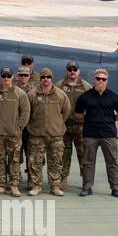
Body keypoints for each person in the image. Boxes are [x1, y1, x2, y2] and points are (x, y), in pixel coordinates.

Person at [73, 68, 118, 197]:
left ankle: (115, 188)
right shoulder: (85, 97)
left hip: (108, 134)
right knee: (88, 161)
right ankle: (87, 186)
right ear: (94, 80)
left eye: (103, 79)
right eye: (98, 79)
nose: (101, 81)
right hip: (90, 134)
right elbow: (77, 114)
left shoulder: (114, 97)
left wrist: (111, 119)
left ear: (107, 81)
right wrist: (89, 119)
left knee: (112, 162)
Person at [0, 68, 29, 197]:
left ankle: (14, 185)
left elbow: (25, 112)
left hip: (13, 134)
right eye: (4, 75)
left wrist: (18, 127)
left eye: (8, 75)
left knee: (14, 160)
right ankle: (0, 185)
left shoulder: (20, 94)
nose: (6, 78)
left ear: (12, 76)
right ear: (1, 76)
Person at [28, 68, 72, 196]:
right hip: (37, 135)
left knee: (56, 161)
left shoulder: (60, 94)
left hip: (56, 135)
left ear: (51, 79)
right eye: (43, 77)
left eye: (48, 77)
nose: (46, 79)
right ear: (39, 79)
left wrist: (57, 124)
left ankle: (55, 186)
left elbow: (66, 111)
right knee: (35, 162)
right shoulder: (32, 94)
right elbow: (26, 112)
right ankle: (37, 186)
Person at [56, 61, 90, 190]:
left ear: (79, 71)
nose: (72, 72)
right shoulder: (59, 85)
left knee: (83, 154)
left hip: (81, 127)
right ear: (66, 71)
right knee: (64, 154)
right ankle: (63, 178)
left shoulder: (85, 86)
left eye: (75, 69)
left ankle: (86, 180)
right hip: (65, 126)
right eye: (70, 69)